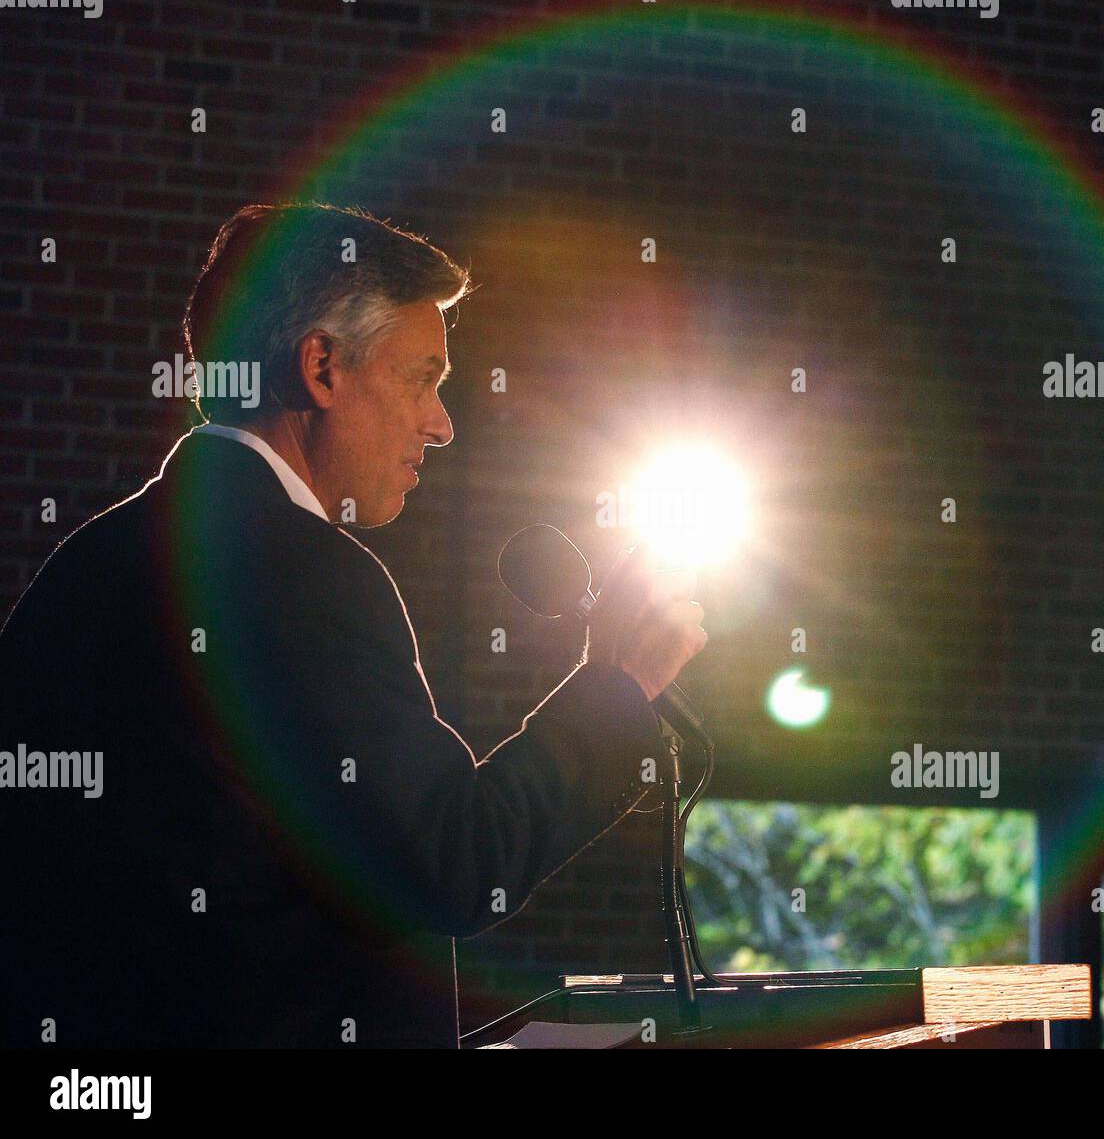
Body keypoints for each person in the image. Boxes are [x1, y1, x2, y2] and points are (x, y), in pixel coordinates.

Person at [0, 202, 707, 1048]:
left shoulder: (88, 564)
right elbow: (450, 866)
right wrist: (619, 687)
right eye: (421, 378)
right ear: (323, 367)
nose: (441, 423)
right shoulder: (297, 570)